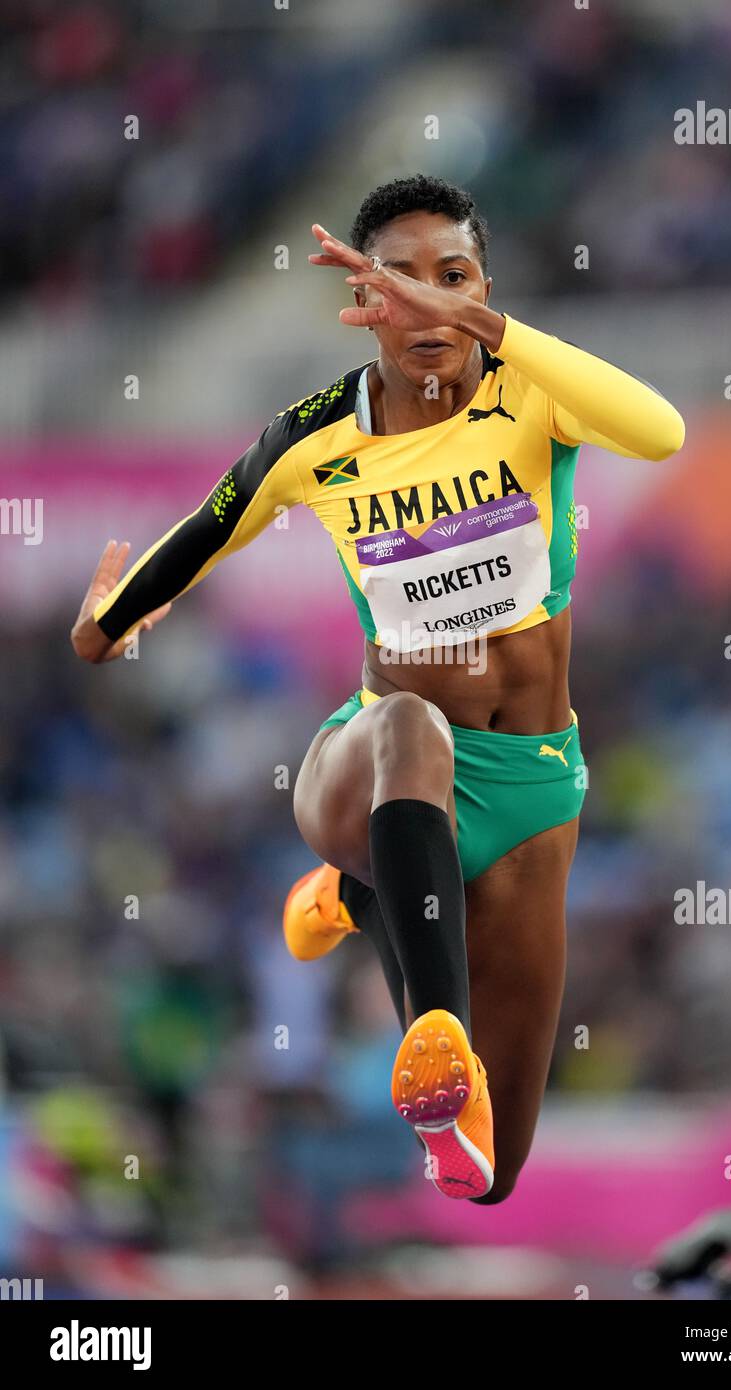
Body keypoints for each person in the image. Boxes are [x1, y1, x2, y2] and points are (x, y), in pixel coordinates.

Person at [71, 174, 685, 1204]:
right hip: (372, 759)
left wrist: (492, 325)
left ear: (484, 290)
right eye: (402, 282)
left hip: (534, 786)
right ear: (364, 305)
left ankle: (359, 897)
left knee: (493, 1174)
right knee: (411, 725)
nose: (432, 303)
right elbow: (201, 534)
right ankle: (425, 1018)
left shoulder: (531, 394)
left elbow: (661, 429)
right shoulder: (318, 436)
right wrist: (105, 623)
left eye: (456, 278)